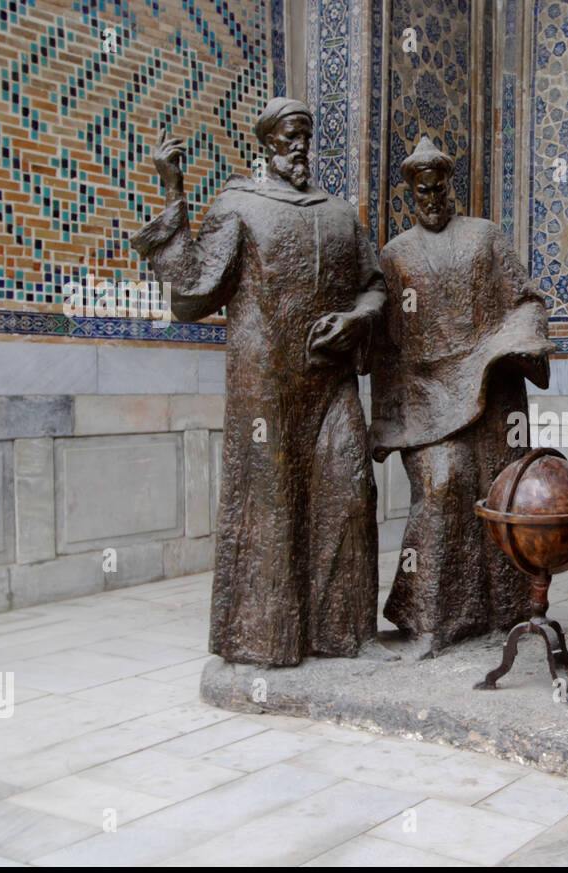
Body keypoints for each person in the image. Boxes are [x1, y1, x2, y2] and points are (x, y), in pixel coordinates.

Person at [132, 97, 386, 666]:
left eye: (306, 135)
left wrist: (358, 318)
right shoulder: (238, 205)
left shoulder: (341, 214)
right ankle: (266, 639)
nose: (299, 146)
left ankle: (346, 633)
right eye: (289, 136)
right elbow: (194, 293)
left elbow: (375, 286)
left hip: (332, 380)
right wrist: (175, 195)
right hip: (265, 380)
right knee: (273, 504)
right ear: (267, 143)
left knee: (349, 490)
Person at [371, 136, 555, 657]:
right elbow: (385, 350)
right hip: (428, 403)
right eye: (422, 192)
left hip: (493, 396)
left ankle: (509, 611)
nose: (432, 200)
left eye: (440, 189)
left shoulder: (485, 238)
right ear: (410, 194)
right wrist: (389, 422)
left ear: (451, 186)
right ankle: (428, 617)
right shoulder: (395, 256)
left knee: (503, 492)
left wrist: (510, 343)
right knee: (443, 485)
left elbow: (526, 302)